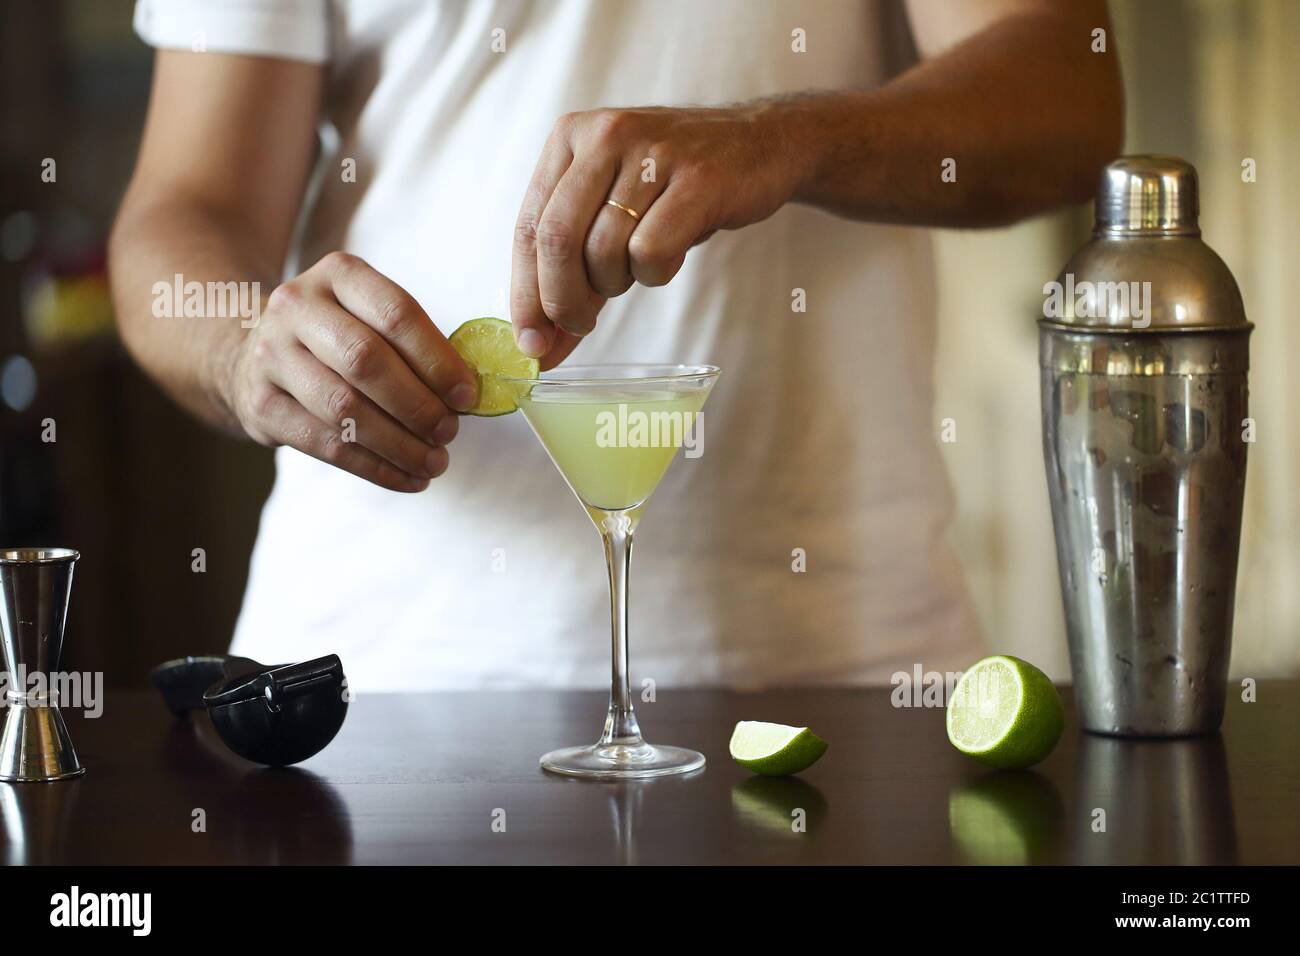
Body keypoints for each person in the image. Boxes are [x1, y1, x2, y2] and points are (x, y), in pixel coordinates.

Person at [110, 0, 1122, 690]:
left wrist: (780, 136)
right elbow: (185, 208)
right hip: (386, 675)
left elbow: (1069, 98)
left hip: (842, 663)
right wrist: (246, 348)